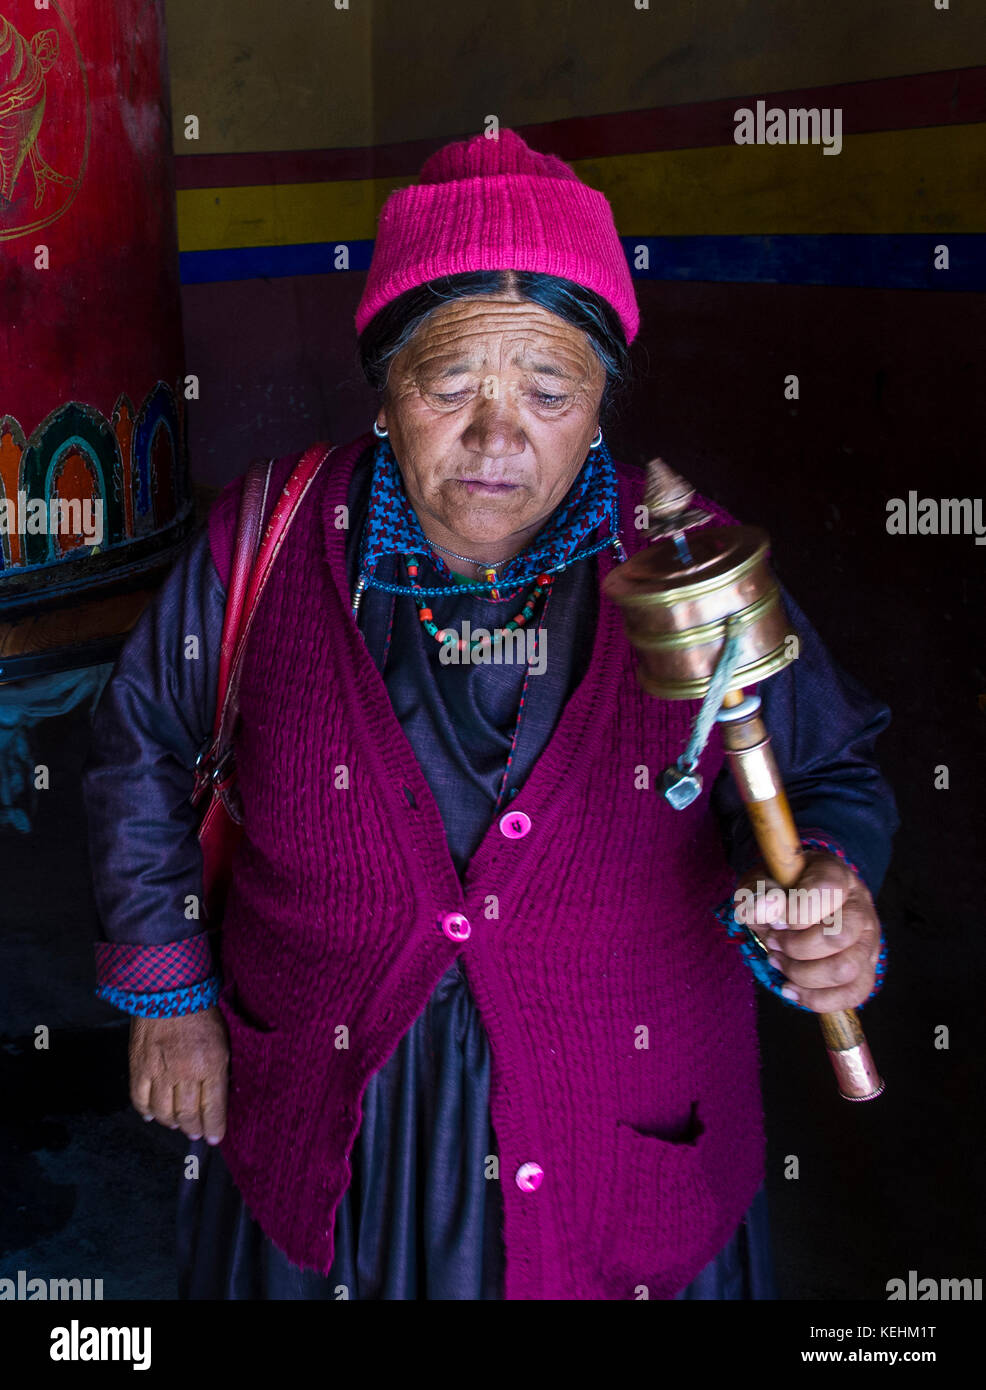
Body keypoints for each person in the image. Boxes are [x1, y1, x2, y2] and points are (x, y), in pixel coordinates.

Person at [81, 128, 898, 1300]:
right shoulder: (269, 537)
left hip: (622, 1123)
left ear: (601, 400)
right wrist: (170, 994)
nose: (496, 433)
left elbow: (832, 773)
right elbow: (143, 737)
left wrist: (829, 884)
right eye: (449, 382)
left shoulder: (689, 565)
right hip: (321, 1106)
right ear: (384, 393)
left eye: (549, 387)